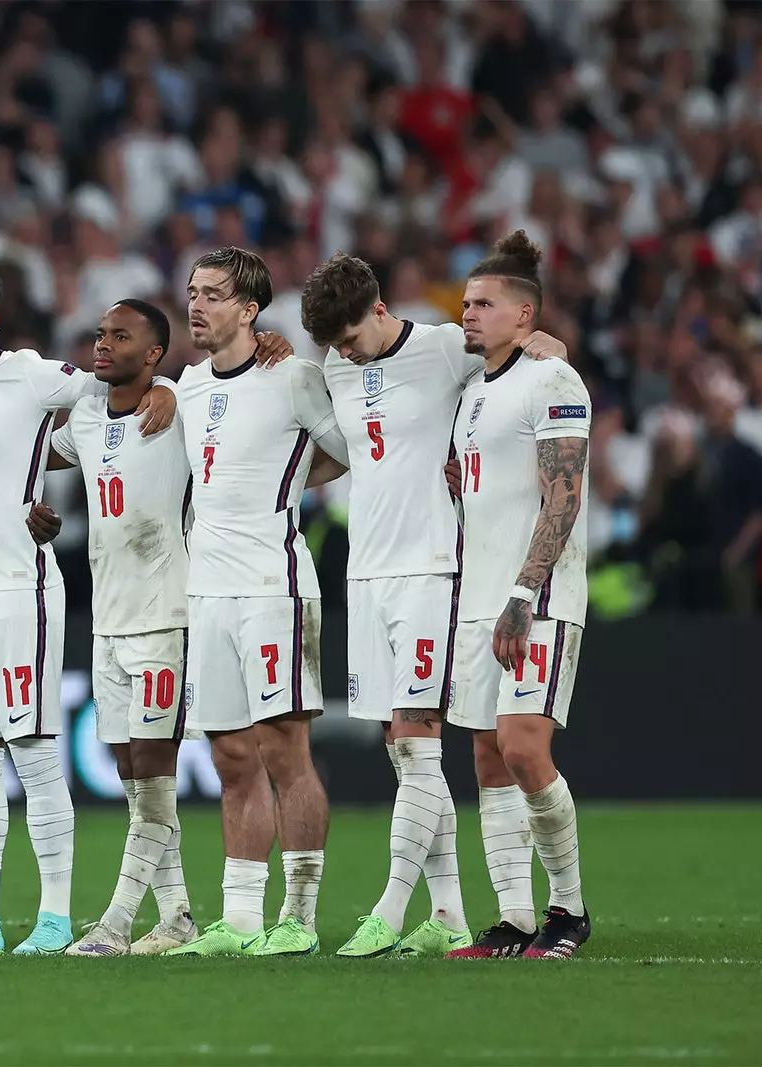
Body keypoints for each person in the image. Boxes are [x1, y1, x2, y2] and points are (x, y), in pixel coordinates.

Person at [296, 252, 566, 958]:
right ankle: (446, 910)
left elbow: (524, 377)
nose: (345, 351)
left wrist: (551, 343)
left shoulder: (448, 347)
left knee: (419, 743)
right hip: (368, 573)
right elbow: (348, 451)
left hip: (436, 569)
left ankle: (388, 907)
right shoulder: (333, 367)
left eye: (351, 335)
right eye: (334, 343)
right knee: (403, 751)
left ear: (380, 310)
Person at [0, 260, 176, 956]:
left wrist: (171, 386)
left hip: (17, 593)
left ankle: (55, 915)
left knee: (32, 754)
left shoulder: (32, 375)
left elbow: (118, 378)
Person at [42, 300, 288, 956]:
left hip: (167, 617)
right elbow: (36, 447)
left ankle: (117, 922)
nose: (103, 344)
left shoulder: (176, 410)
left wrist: (178, 390)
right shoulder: (89, 417)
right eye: (99, 333)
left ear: (154, 354)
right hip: (108, 621)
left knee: (153, 769)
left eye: (120, 336)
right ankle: (176, 910)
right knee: (131, 772)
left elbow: (220, 404)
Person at [166, 247, 348, 958]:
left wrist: (291, 480)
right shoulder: (184, 386)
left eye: (214, 294)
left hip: (274, 586)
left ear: (249, 309)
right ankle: (240, 917)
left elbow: (352, 449)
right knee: (231, 756)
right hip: (206, 590)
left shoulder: (293, 376)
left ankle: (297, 918)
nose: (197, 304)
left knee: (284, 750)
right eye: (193, 291)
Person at [446, 231, 593, 959]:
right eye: (466, 303)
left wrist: (524, 591)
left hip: (535, 595)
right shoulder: (473, 391)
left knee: (524, 747)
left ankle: (569, 906)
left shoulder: (553, 381)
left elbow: (562, 494)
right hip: (476, 596)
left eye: (484, 305)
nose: (469, 315)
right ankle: (513, 918)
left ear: (524, 315)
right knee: (487, 758)